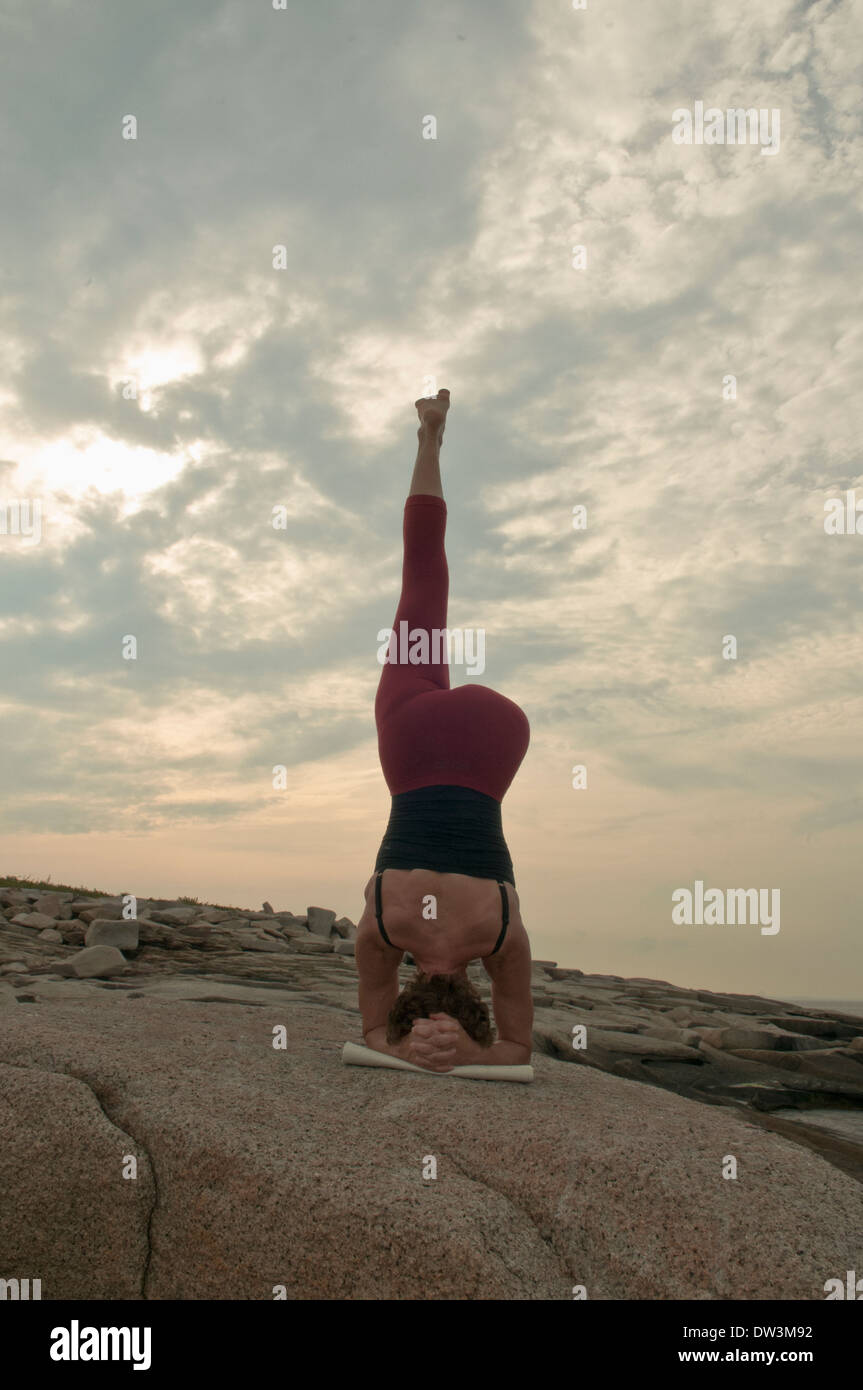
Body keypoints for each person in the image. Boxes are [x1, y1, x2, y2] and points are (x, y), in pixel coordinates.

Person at [356, 389, 534, 1072]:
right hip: (413, 743)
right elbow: (372, 1037)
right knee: (422, 579)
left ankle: (431, 435)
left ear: (472, 997)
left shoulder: (498, 937)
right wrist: (394, 1044)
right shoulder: (380, 925)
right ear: (408, 992)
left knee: (425, 584)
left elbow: (516, 1054)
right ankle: (428, 436)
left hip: (496, 736)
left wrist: (469, 1054)